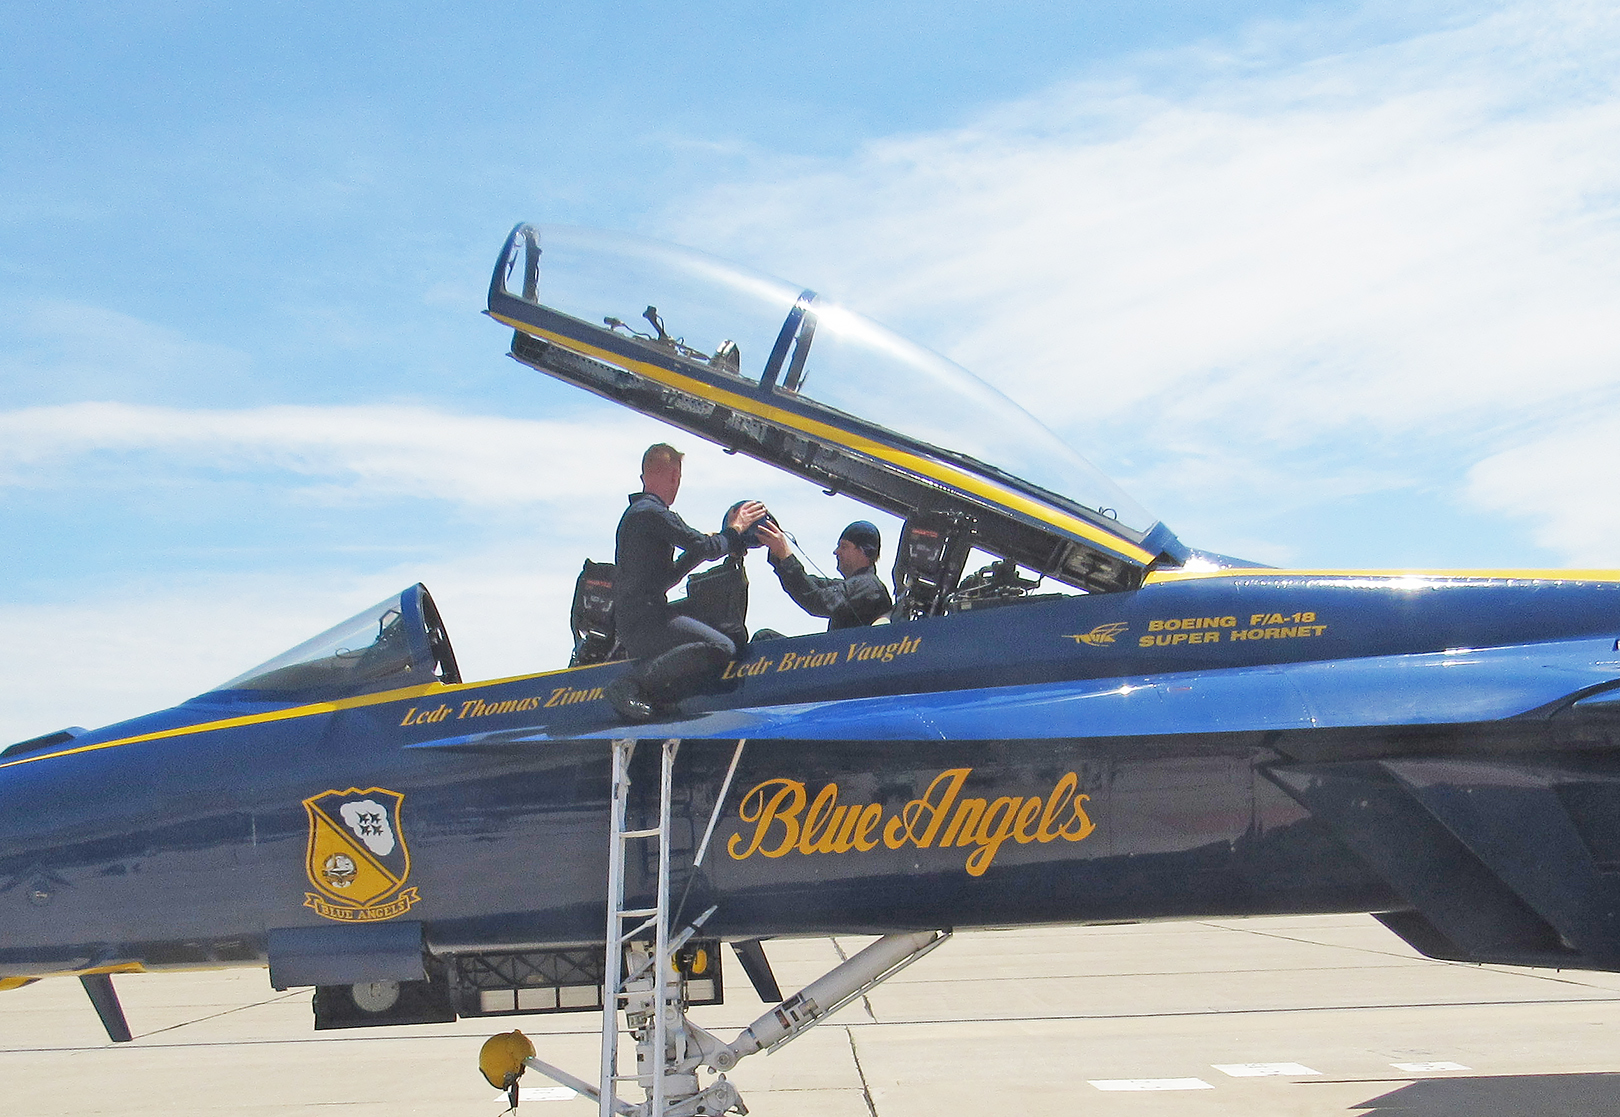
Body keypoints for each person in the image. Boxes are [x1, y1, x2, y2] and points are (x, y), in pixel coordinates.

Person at [606, 443, 767, 721]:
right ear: (673, 476)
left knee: (722, 629)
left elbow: (669, 576)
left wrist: (714, 543)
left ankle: (662, 695)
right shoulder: (651, 513)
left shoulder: (639, 515)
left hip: (640, 617)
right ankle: (631, 685)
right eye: (677, 478)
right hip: (645, 622)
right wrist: (733, 531)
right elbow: (706, 547)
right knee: (722, 647)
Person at [755, 518, 892, 631]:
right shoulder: (856, 585)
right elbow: (810, 584)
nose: (836, 552)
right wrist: (778, 554)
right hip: (838, 654)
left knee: (764, 637)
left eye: (844, 546)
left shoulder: (868, 585)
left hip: (844, 655)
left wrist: (785, 557)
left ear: (863, 551)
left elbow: (817, 600)